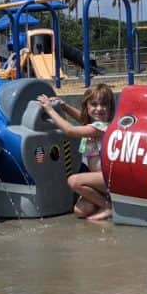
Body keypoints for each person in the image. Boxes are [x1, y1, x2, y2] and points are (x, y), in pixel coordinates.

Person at [37, 83, 115, 222]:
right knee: (80, 211)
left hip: (107, 178)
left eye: (104, 105)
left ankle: (107, 206)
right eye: (94, 104)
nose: (99, 108)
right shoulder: (93, 125)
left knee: (73, 181)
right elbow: (83, 119)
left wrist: (49, 110)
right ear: (87, 107)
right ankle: (107, 203)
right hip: (99, 180)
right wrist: (65, 107)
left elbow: (70, 130)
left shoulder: (101, 127)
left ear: (110, 108)